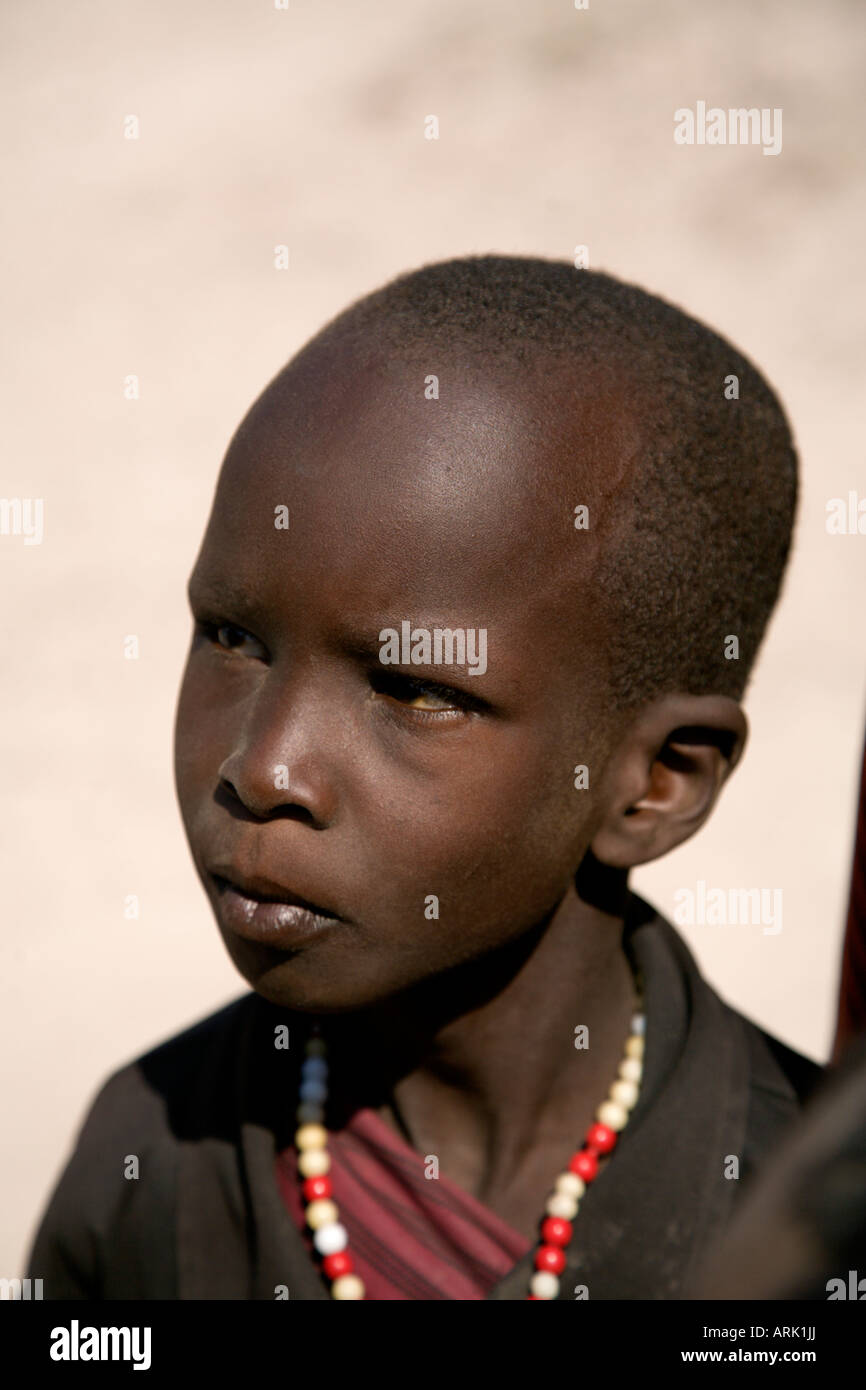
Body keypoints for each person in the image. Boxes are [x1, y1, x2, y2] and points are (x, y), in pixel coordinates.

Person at [26, 255, 823, 1301]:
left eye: (410, 688)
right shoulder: (155, 1163)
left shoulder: (801, 1232)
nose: (261, 768)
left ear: (656, 783)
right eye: (231, 634)